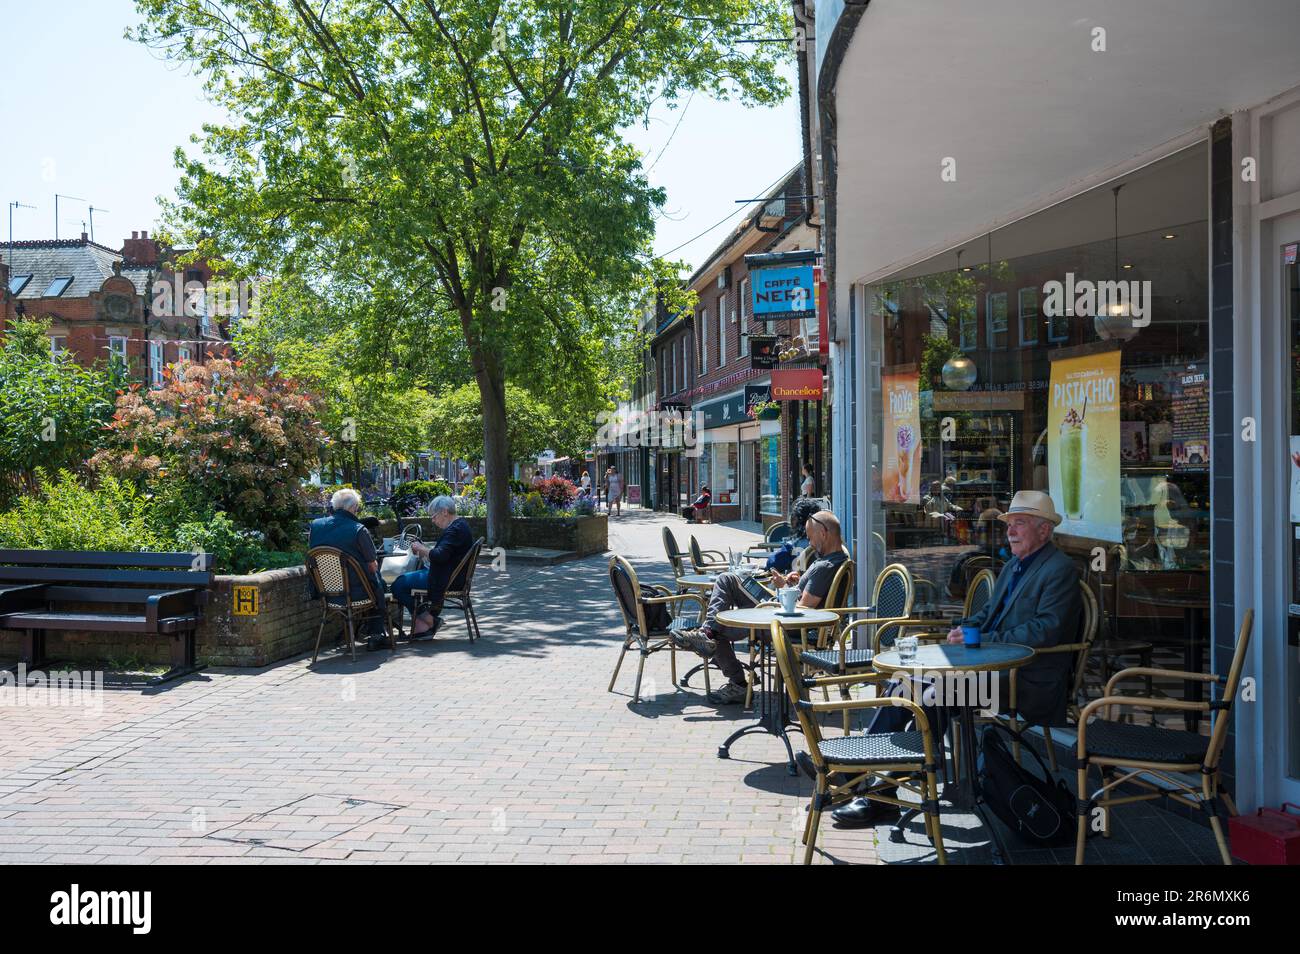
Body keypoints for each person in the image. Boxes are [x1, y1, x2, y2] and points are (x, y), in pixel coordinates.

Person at [828, 489, 1082, 827]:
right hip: (990, 673)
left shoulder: (1059, 569)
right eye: (1010, 523)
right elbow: (987, 613)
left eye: (1020, 523)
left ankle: (876, 788)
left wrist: (985, 638)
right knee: (903, 684)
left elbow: (1045, 631)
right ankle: (866, 779)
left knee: (933, 695)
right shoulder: (1013, 566)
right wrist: (964, 629)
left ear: (1044, 530)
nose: (1011, 530)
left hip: (1028, 680)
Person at [676, 511, 848, 704]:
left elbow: (803, 609)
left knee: (726, 589)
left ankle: (716, 648)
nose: (809, 543)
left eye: (810, 537)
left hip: (788, 627)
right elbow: (806, 601)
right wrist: (787, 585)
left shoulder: (825, 566)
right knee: (726, 600)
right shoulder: (837, 559)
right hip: (786, 616)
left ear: (823, 533)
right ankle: (710, 637)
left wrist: (783, 592)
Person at [308, 488, 390, 652]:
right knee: (376, 580)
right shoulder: (358, 529)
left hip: (326, 594)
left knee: (371, 579)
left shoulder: (315, 526)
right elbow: (372, 565)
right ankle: (376, 634)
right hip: (358, 594)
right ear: (353, 508)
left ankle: (360, 631)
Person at [390, 496, 474, 639]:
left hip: (448, 580)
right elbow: (445, 554)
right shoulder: (460, 526)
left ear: (445, 512)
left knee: (398, 584)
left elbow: (440, 556)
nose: (433, 520)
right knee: (410, 578)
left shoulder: (455, 530)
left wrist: (422, 549)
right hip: (452, 576)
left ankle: (427, 621)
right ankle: (423, 623)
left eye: (434, 516)